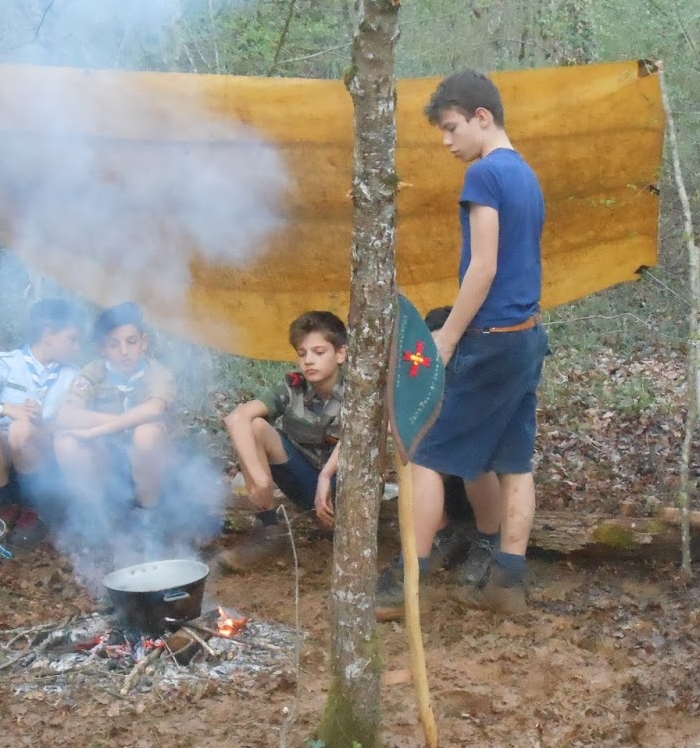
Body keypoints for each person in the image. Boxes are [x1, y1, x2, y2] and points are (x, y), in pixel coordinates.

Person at [376, 70, 548, 619]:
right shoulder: (526, 175)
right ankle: (507, 583)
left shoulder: (486, 174)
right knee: (514, 462)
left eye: (452, 128)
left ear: (482, 117)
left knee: (424, 454)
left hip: (489, 338)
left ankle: (406, 582)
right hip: (526, 337)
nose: (447, 142)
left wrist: (448, 337)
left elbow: (484, 267)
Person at [217, 310, 347, 571]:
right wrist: (261, 481)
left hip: (345, 490)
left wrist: (326, 477)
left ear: (341, 354)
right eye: (302, 353)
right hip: (305, 483)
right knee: (255, 426)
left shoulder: (360, 389)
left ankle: (338, 527)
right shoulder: (293, 387)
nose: (308, 361)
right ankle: (269, 529)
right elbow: (235, 419)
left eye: (319, 352)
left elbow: (360, 440)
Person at [0, 299, 81, 544]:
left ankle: (34, 509)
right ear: (48, 335)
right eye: (71, 339)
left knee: (22, 429)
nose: (77, 347)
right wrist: (5, 409)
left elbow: (74, 425)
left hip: (42, 454)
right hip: (0, 453)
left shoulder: (73, 376)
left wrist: (39, 422)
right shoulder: (6, 363)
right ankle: (4, 504)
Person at [55, 303, 178, 517]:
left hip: (156, 464)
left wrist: (95, 430)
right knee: (65, 442)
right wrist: (121, 422)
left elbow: (154, 409)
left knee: (146, 433)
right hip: (110, 460)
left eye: (131, 342)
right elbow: (66, 415)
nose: (124, 352)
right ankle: (97, 515)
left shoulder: (158, 374)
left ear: (144, 342)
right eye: (114, 344)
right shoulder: (93, 373)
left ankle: (148, 514)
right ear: (102, 349)